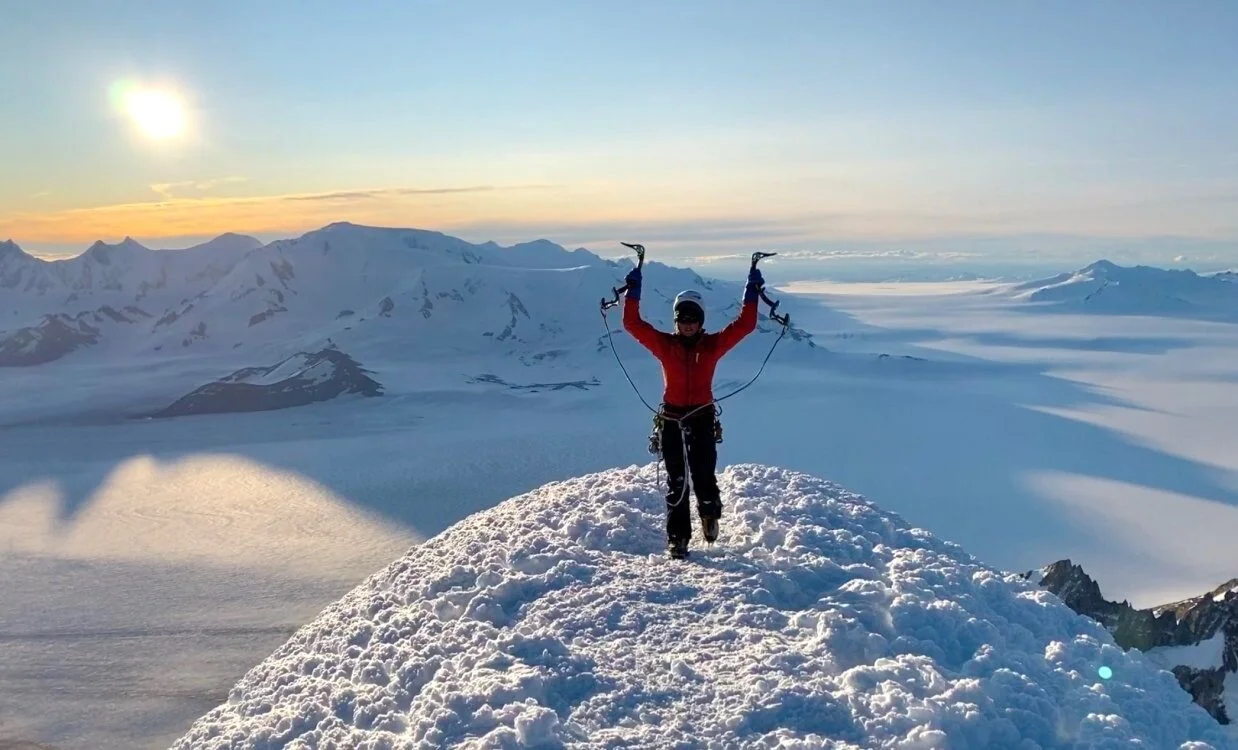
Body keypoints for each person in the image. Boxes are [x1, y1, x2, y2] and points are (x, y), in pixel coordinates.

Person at [622, 262, 763, 559]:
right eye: (682, 319)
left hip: (701, 418)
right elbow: (632, 324)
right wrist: (633, 291)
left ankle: (709, 513)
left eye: (693, 319)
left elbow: (745, 325)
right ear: (676, 321)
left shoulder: (711, 346)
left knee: (703, 475)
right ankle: (678, 538)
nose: (687, 324)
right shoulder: (665, 345)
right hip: (672, 419)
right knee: (677, 481)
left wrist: (751, 290)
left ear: (701, 321)